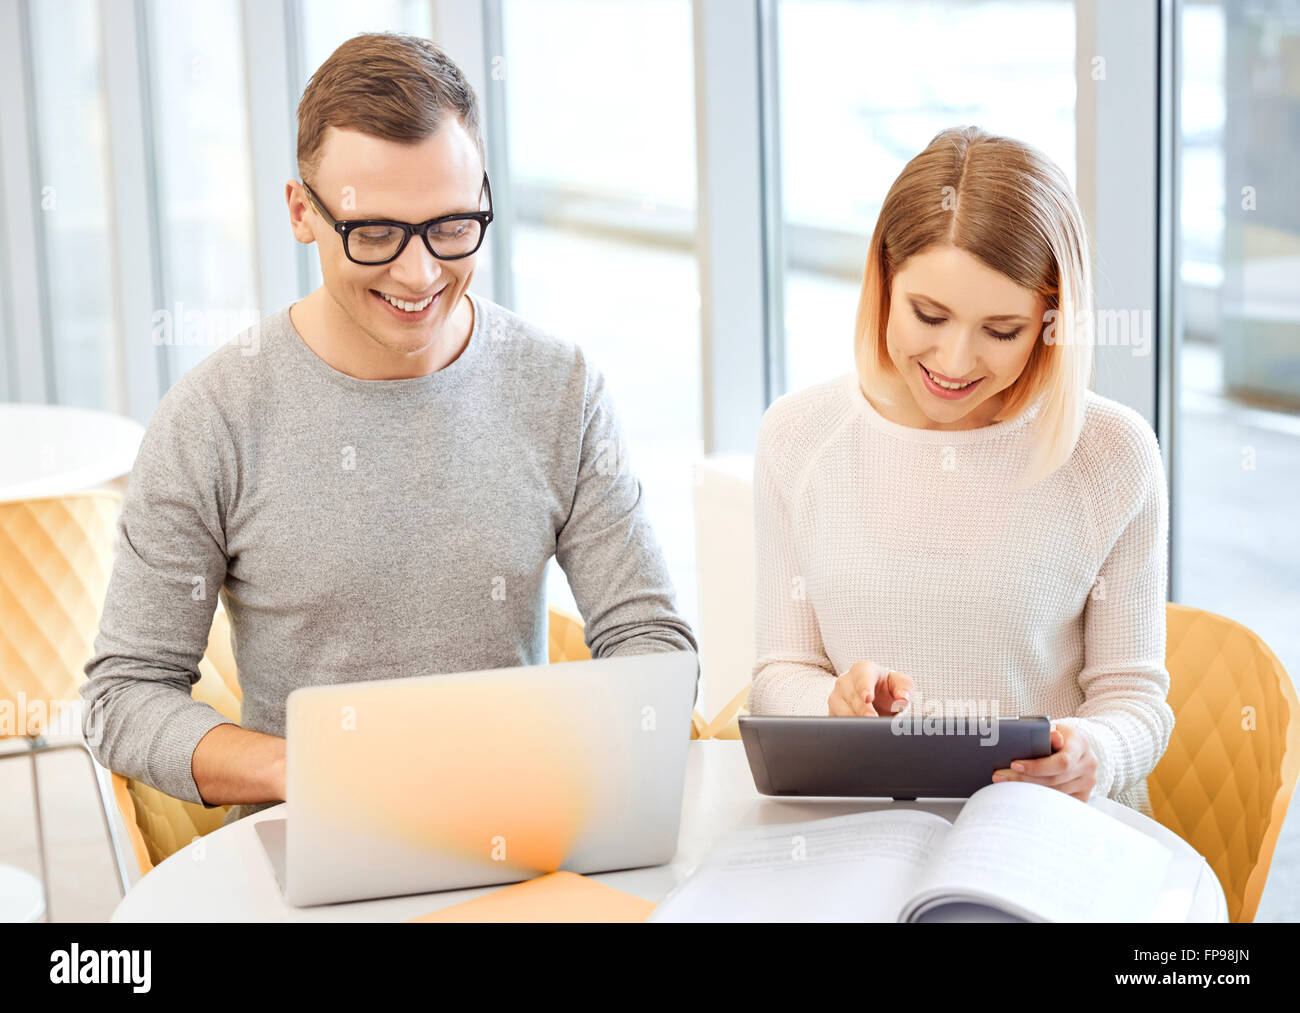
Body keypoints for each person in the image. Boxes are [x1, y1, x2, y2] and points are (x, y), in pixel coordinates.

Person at [81, 32, 697, 826]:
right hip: (314, 854)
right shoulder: (213, 418)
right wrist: (300, 768)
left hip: (518, 841)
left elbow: (654, 644)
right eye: (375, 233)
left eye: (450, 227)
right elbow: (123, 696)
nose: (419, 274)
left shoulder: (559, 389)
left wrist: (579, 745)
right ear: (303, 213)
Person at [749, 125, 1172, 815]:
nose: (953, 361)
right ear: (883, 282)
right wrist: (831, 703)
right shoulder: (798, 438)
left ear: (1050, 319)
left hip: (1044, 838)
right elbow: (778, 673)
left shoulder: (1113, 454)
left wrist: (1093, 752)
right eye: (929, 314)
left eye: (1001, 329)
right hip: (865, 833)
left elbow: (1136, 700)